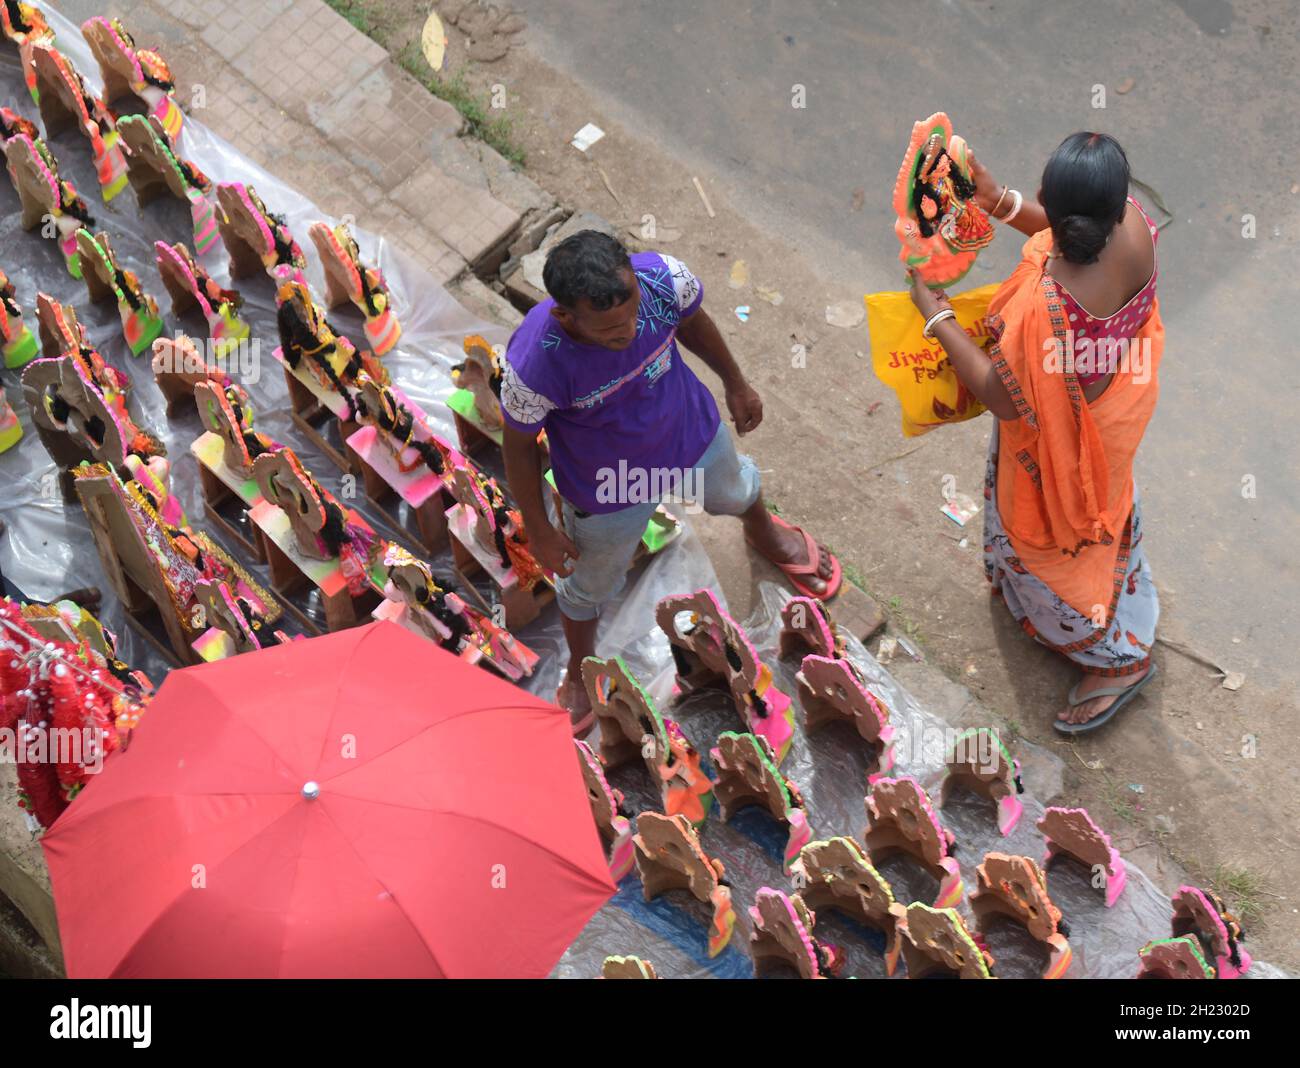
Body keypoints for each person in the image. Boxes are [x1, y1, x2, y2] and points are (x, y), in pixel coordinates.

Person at [501, 230, 841, 733]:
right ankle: (579, 666)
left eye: (634, 312)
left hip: (690, 435)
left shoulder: (662, 279)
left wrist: (735, 382)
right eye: (612, 329)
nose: (631, 329)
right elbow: (517, 446)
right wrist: (541, 528)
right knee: (590, 583)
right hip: (606, 488)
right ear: (565, 317)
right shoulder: (535, 364)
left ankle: (762, 529)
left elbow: (694, 323)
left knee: (734, 491)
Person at [908, 132, 1163, 733]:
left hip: (1061, 437)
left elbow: (1002, 397)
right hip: (1109, 412)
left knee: (1052, 539)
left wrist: (937, 315)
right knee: (1104, 515)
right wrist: (999, 202)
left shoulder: (1044, 308)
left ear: (1057, 207)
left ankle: (1116, 659)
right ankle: (1086, 595)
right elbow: (1072, 234)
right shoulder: (1134, 226)